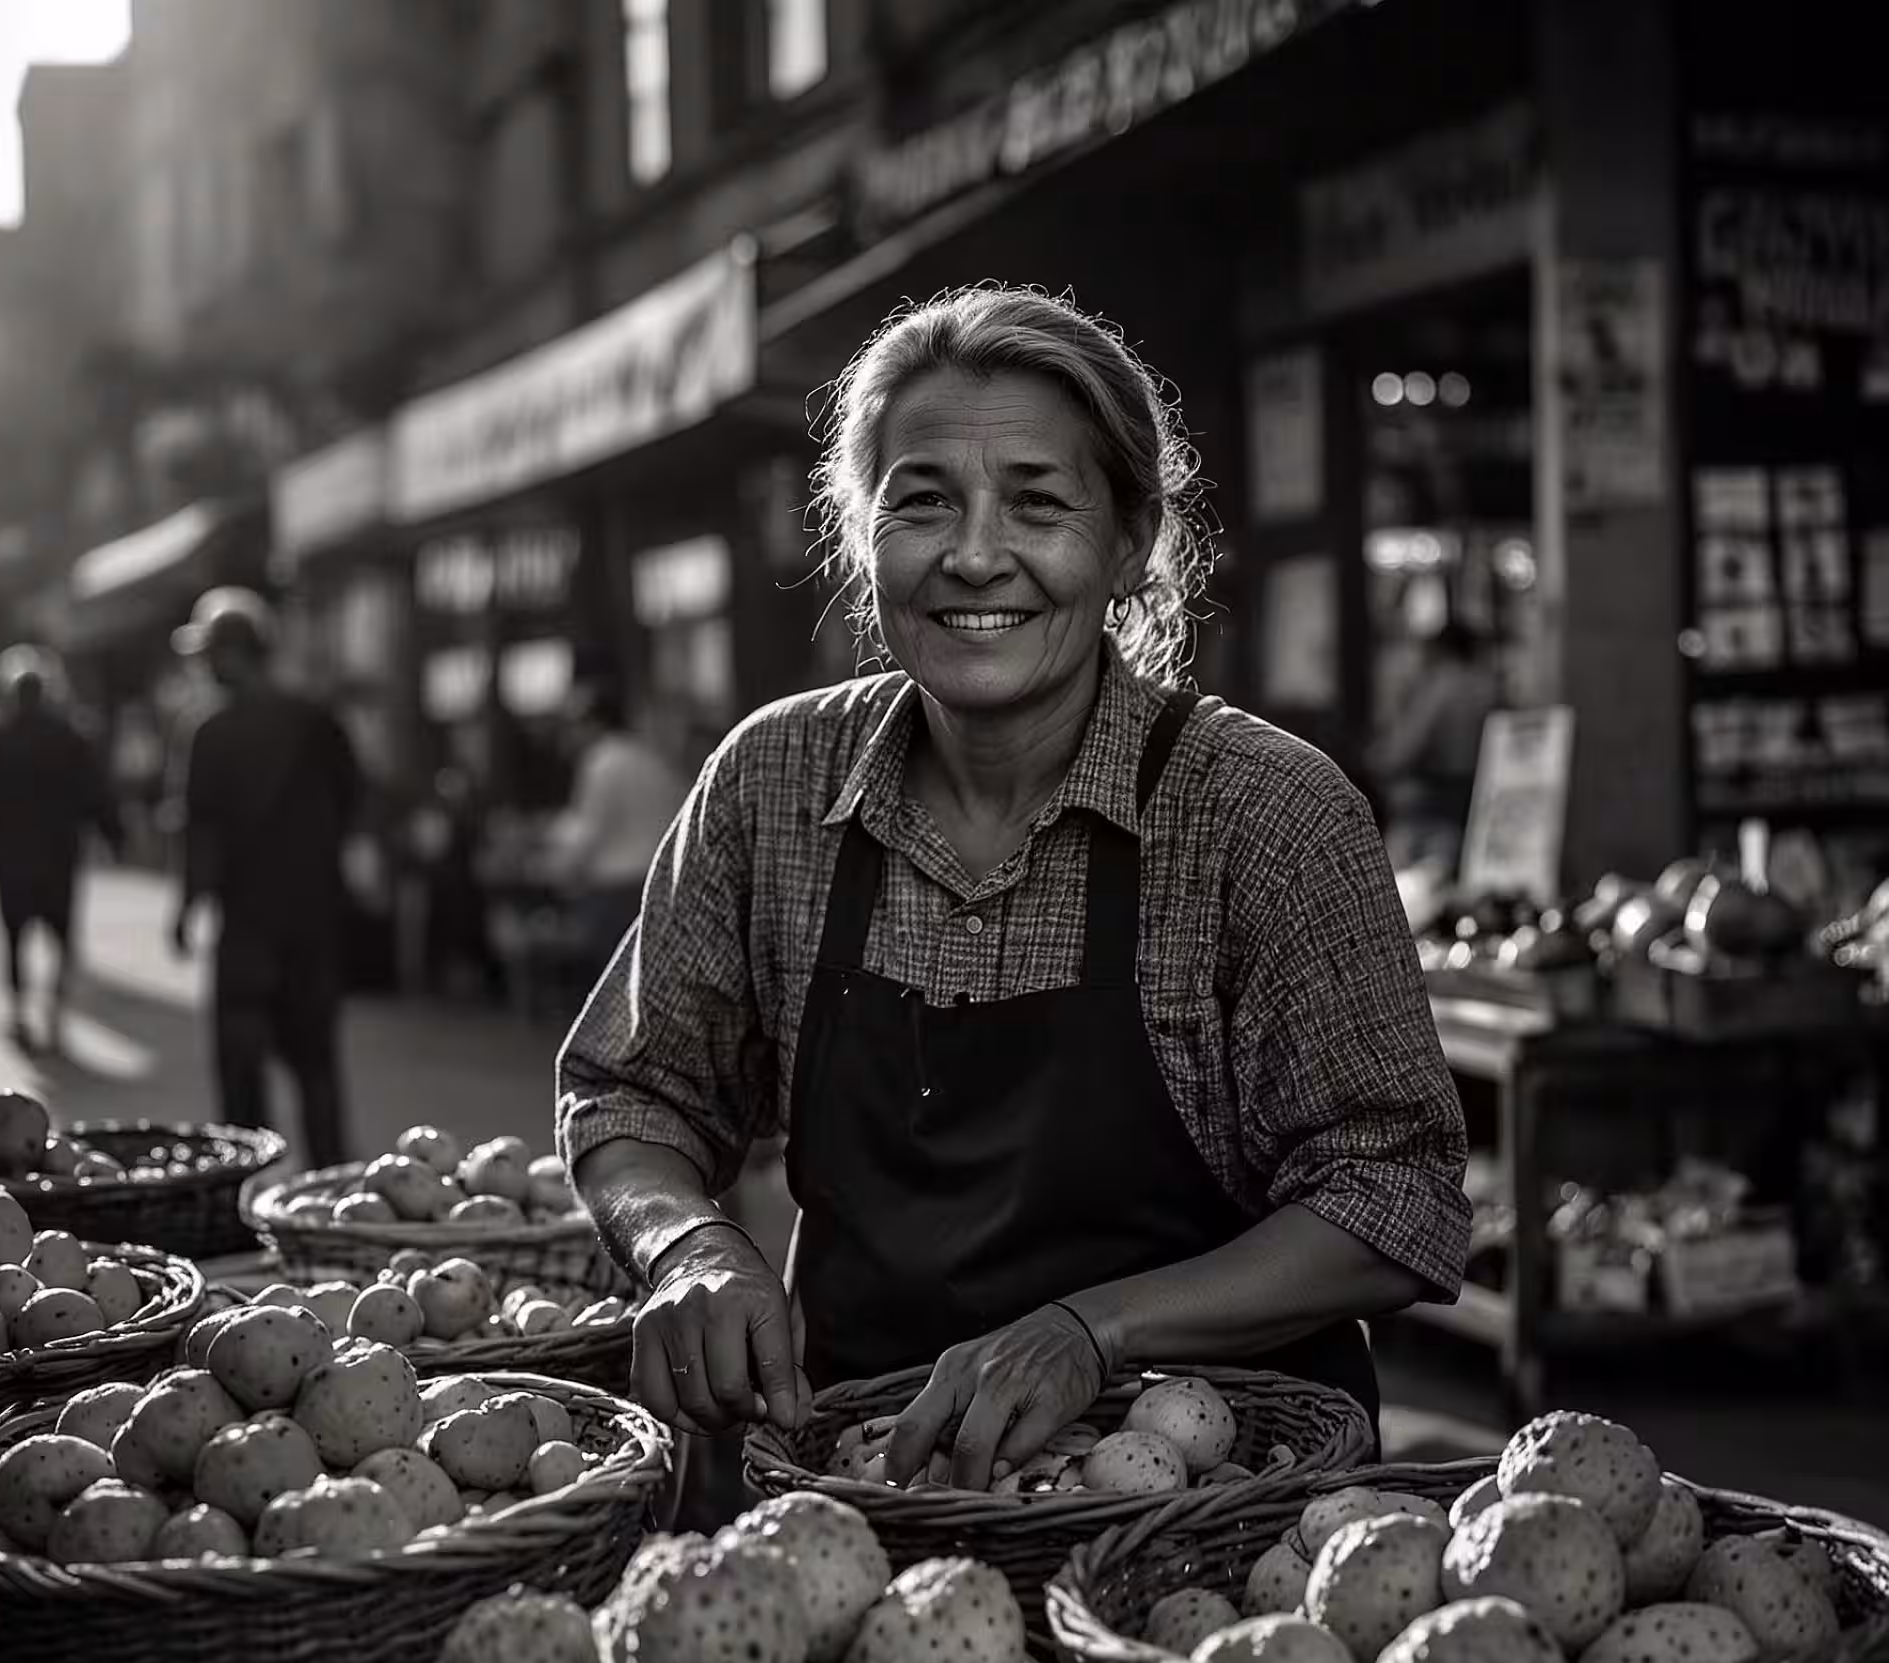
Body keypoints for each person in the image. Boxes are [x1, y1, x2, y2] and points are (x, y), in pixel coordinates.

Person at [556, 287, 1470, 1520]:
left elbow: (1393, 1192)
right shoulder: (769, 786)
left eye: (1038, 503)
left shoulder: (1265, 814)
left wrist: (1094, 1331)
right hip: (868, 1502)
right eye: (922, 501)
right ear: (860, 531)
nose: (975, 556)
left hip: (1222, 1524)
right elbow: (633, 1089)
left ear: (1132, 539)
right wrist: (686, 1244)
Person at [169, 588, 361, 1168]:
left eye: (209, 653)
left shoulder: (211, 733)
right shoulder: (315, 721)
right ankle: (331, 1194)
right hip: (312, 923)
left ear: (232, 655)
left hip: (248, 928)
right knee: (317, 1070)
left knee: (242, 1083)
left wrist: (186, 907)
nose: (204, 665)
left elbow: (200, 832)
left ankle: (250, 1199)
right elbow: (352, 800)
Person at [0, 646, 122, 1052]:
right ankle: (52, 1006)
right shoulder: (68, 736)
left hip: (13, 860)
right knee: (60, 934)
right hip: (58, 857)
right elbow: (97, 792)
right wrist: (114, 835)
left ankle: (21, 1011)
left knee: (15, 938)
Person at [540, 681, 690, 960]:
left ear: (593, 723)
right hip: (659, 884)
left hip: (615, 892)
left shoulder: (602, 761)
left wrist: (556, 871)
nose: (569, 735)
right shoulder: (649, 756)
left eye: (574, 725)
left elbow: (589, 831)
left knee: (612, 987)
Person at [1367, 617, 1500, 875]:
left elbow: (1399, 753)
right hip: (1479, 812)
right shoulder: (1490, 688)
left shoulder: (1443, 686)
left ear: (1441, 651)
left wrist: (1376, 758)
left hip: (1432, 818)